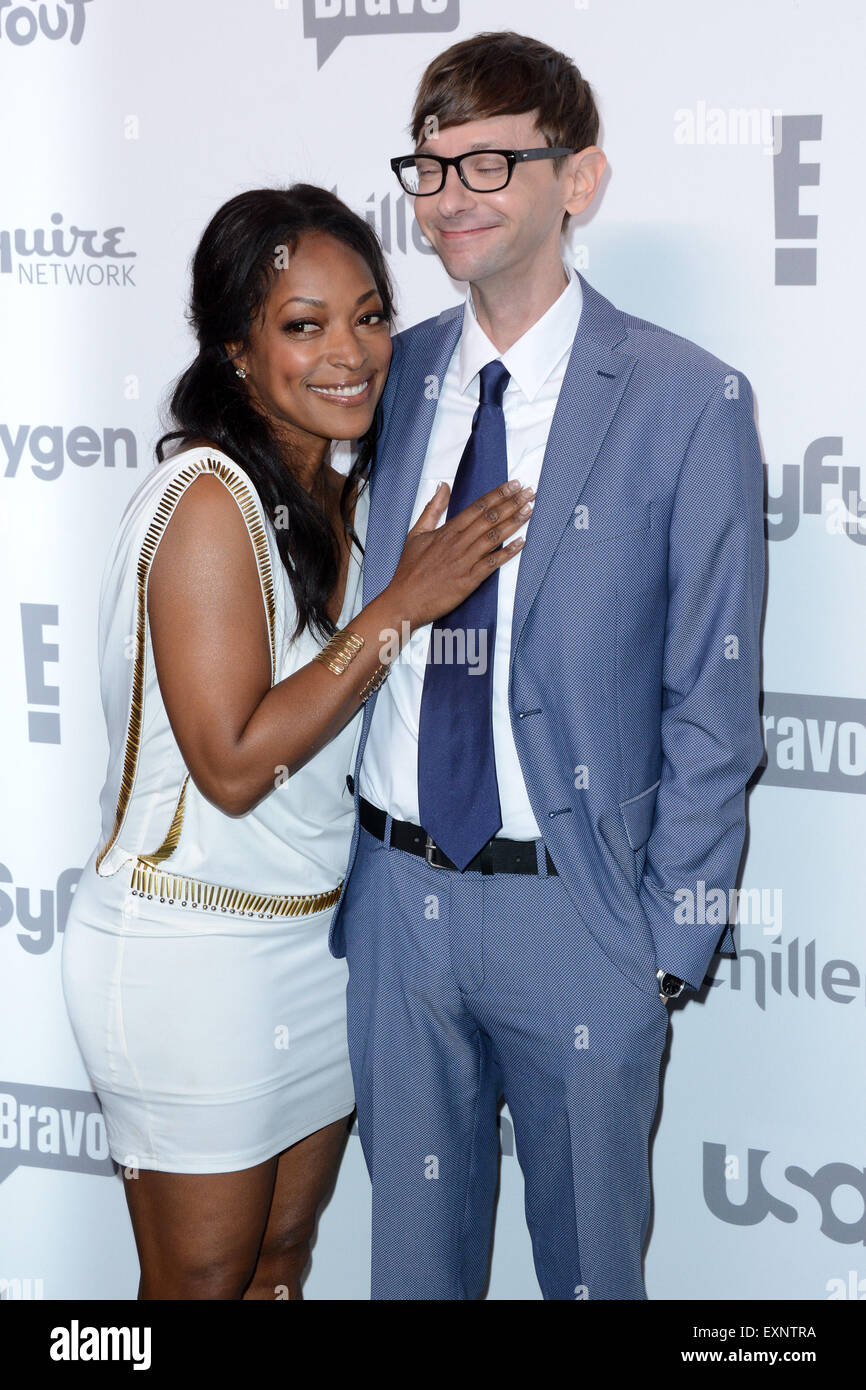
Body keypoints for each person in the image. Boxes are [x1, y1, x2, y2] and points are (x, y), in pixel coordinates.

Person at [330, 31, 765, 1300]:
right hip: (398, 906)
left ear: (577, 181)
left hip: (579, 916)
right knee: (412, 1278)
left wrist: (659, 951)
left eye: (490, 164)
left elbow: (712, 702)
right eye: (428, 166)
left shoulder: (687, 397)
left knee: (588, 1278)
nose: (448, 197)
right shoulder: (389, 378)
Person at [61, 184, 534, 1300]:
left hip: (316, 956)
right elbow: (230, 764)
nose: (350, 352)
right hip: (189, 960)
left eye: (369, 316)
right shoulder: (209, 498)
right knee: (203, 1278)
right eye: (302, 324)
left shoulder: (338, 496)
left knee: (278, 1265)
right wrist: (398, 608)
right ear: (234, 347)